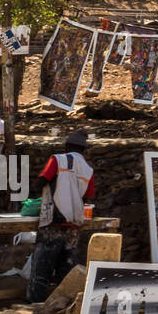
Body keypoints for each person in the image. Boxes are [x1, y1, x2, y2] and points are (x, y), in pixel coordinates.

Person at [26, 129, 95, 303]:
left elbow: (41, 181)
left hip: (53, 222)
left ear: (67, 146)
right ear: (83, 150)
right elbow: (87, 196)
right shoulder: (88, 169)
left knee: (43, 265)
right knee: (67, 266)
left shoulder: (58, 159)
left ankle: (35, 303)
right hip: (74, 224)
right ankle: (64, 303)